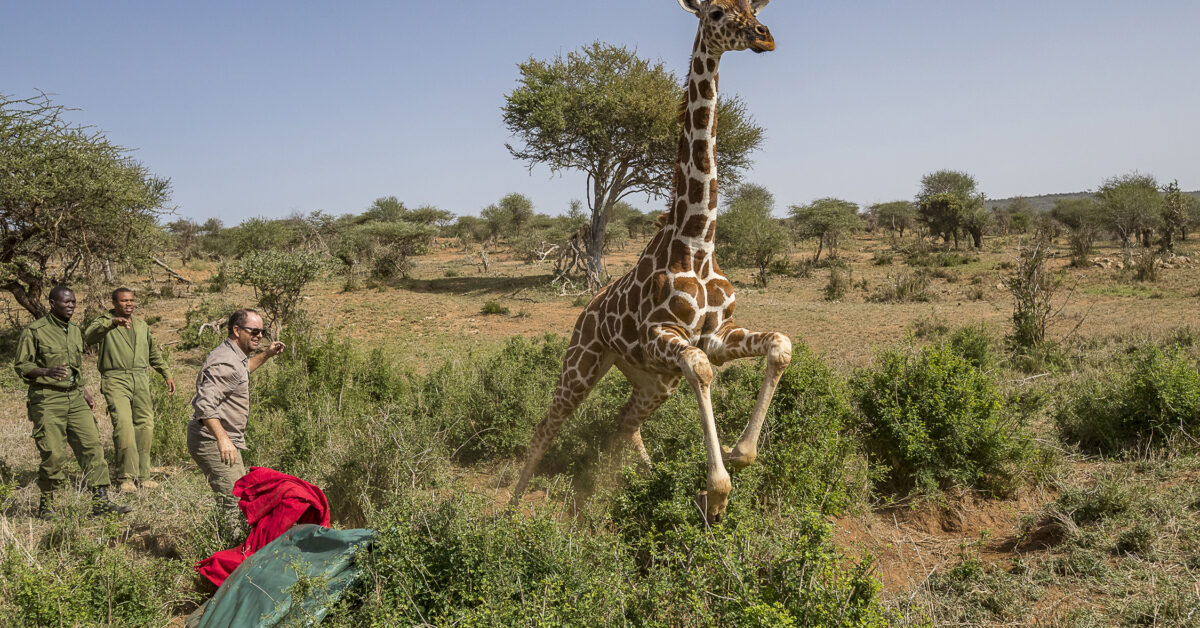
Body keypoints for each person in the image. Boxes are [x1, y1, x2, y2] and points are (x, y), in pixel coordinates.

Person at [13, 285, 131, 518]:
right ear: (52, 303)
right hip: (47, 398)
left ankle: (101, 502)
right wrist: (45, 371)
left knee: (92, 447)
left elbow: (74, 368)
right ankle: (47, 505)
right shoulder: (35, 331)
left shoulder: (75, 331)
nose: (71, 306)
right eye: (66, 302)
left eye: (74, 302)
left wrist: (84, 391)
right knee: (54, 454)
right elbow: (21, 365)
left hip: (75, 397)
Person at [187, 308, 284, 527]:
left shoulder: (235, 355)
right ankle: (229, 551)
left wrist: (267, 354)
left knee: (243, 496)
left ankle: (235, 545)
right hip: (211, 439)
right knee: (234, 501)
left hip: (225, 438)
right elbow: (205, 404)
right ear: (237, 330)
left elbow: (241, 371)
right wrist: (222, 439)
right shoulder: (225, 361)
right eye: (254, 331)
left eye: (262, 331)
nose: (259, 335)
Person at [84, 287, 176, 493]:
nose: (129, 304)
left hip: (140, 378)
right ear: (114, 303)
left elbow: (153, 353)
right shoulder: (104, 322)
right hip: (115, 378)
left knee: (145, 425)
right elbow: (89, 336)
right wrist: (111, 323)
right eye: (124, 301)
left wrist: (166, 373)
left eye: (132, 300)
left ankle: (143, 476)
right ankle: (125, 477)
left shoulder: (141, 325)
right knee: (124, 426)